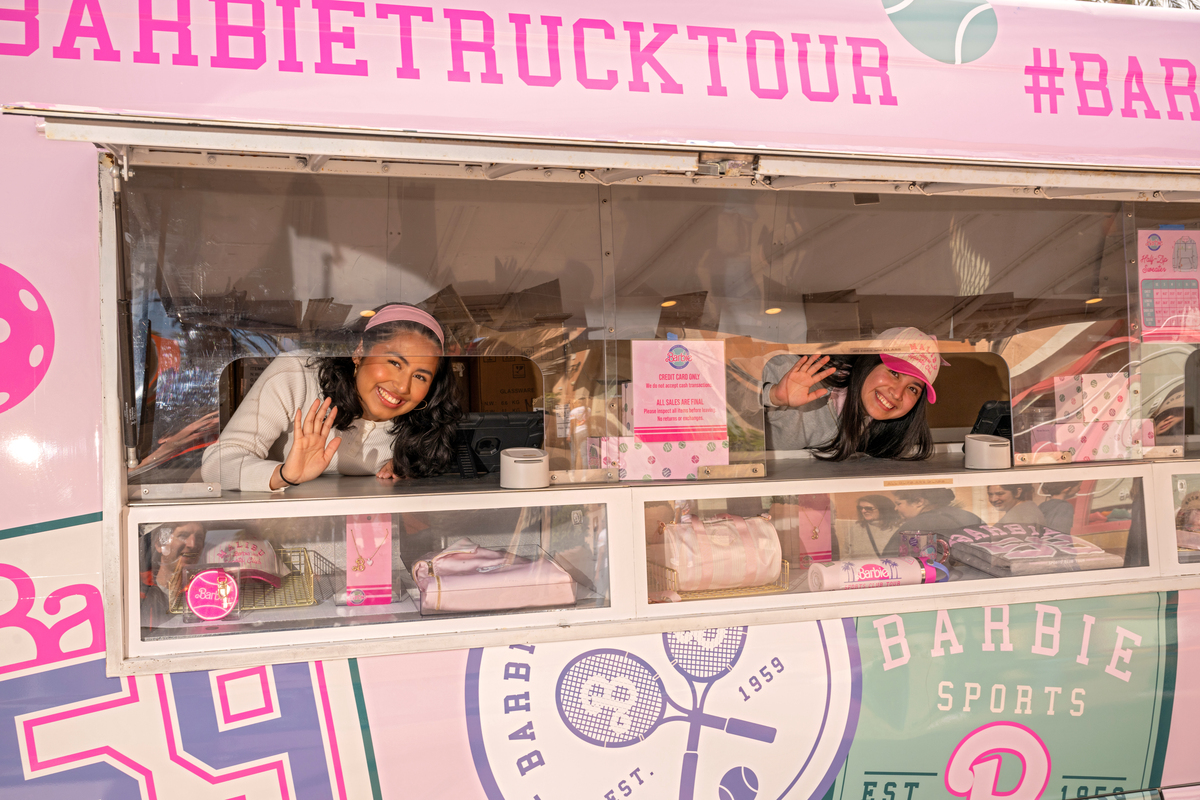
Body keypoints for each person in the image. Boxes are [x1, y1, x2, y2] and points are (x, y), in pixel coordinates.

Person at [201, 303, 462, 491]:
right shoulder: (297, 375)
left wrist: (408, 467)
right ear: (359, 352)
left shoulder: (424, 426)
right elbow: (217, 465)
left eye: (420, 377)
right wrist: (284, 474)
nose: (402, 387)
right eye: (394, 362)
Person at [761, 327, 946, 461]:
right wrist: (772, 395)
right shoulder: (793, 374)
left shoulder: (875, 434)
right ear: (868, 363)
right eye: (894, 373)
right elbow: (733, 395)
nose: (897, 394)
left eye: (913, 389)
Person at [893, 487, 982, 535]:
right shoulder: (968, 515)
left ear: (918, 502)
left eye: (898, 504)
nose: (895, 509)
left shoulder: (913, 526)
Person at [839, 494, 903, 559]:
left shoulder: (898, 528)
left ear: (883, 510)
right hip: (860, 568)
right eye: (860, 508)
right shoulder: (856, 527)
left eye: (868, 508)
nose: (863, 511)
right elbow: (845, 554)